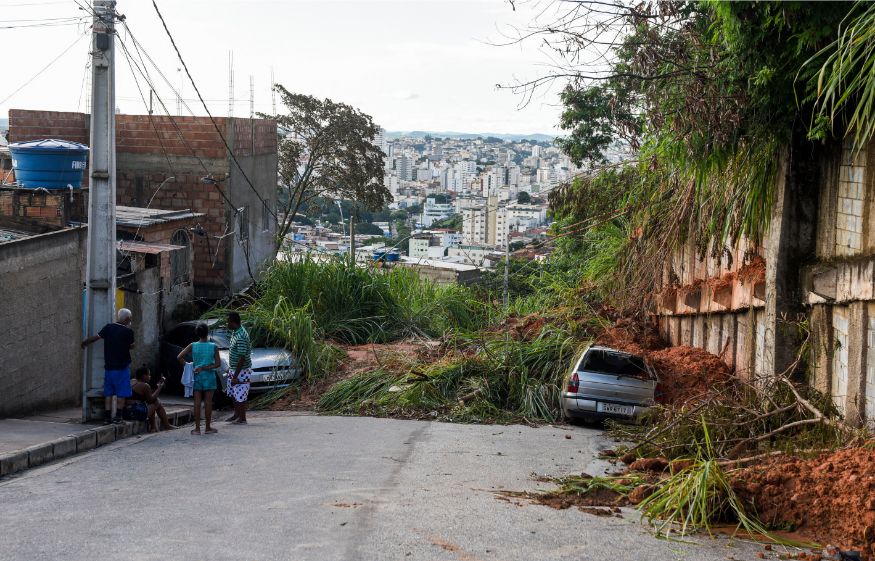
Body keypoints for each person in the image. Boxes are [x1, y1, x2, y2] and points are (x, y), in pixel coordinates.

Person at [81, 308, 135, 424]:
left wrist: (85, 342)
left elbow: (96, 337)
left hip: (109, 367)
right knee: (121, 393)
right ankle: (118, 417)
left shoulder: (108, 327)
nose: (130, 321)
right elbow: (132, 346)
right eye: (130, 319)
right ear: (127, 319)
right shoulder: (128, 332)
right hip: (122, 368)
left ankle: (107, 418)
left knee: (108, 393)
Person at [178, 323, 221, 435]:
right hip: (209, 377)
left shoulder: (193, 345)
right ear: (207, 333)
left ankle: (197, 429)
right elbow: (218, 364)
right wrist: (206, 367)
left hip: (196, 376)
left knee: (197, 402)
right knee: (208, 402)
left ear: (197, 334)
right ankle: (207, 428)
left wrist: (188, 366)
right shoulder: (214, 346)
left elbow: (179, 357)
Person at [126, 366, 174, 432]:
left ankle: (153, 428)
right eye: (149, 375)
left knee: (151, 403)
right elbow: (151, 399)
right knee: (156, 401)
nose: (150, 376)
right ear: (144, 376)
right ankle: (166, 425)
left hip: (126, 412)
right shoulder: (145, 385)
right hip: (135, 413)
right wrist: (160, 388)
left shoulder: (132, 381)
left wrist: (157, 386)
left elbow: (148, 395)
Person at [225, 312, 252, 425]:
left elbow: (242, 358)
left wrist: (235, 376)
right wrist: (230, 369)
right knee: (233, 393)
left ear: (233, 322)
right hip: (234, 368)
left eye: (228, 321)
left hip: (242, 370)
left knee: (240, 394)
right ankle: (237, 414)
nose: (227, 324)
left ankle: (242, 418)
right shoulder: (235, 332)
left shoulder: (241, 336)